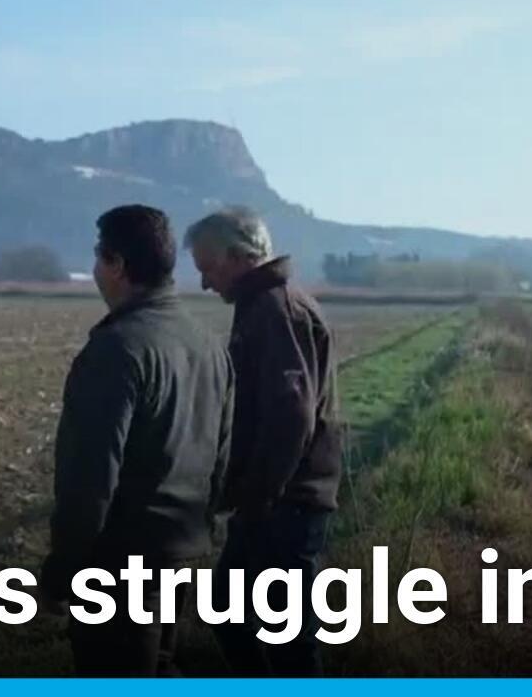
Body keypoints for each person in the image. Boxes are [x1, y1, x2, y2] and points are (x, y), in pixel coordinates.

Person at [41, 204, 234, 676]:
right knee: (159, 665)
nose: (93, 272)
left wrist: (63, 568)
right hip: (181, 552)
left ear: (118, 265)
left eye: (97, 258)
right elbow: (223, 455)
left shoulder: (117, 349)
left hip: (120, 563)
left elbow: (90, 479)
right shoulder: (208, 344)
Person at [183, 205, 343, 676]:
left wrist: (257, 497)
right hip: (276, 502)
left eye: (209, 268)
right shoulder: (265, 303)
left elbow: (292, 415)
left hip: (286, 504)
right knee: (230, 611)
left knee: (287, 639)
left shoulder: (275, 309)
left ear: (238, 257)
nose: (206, 283)